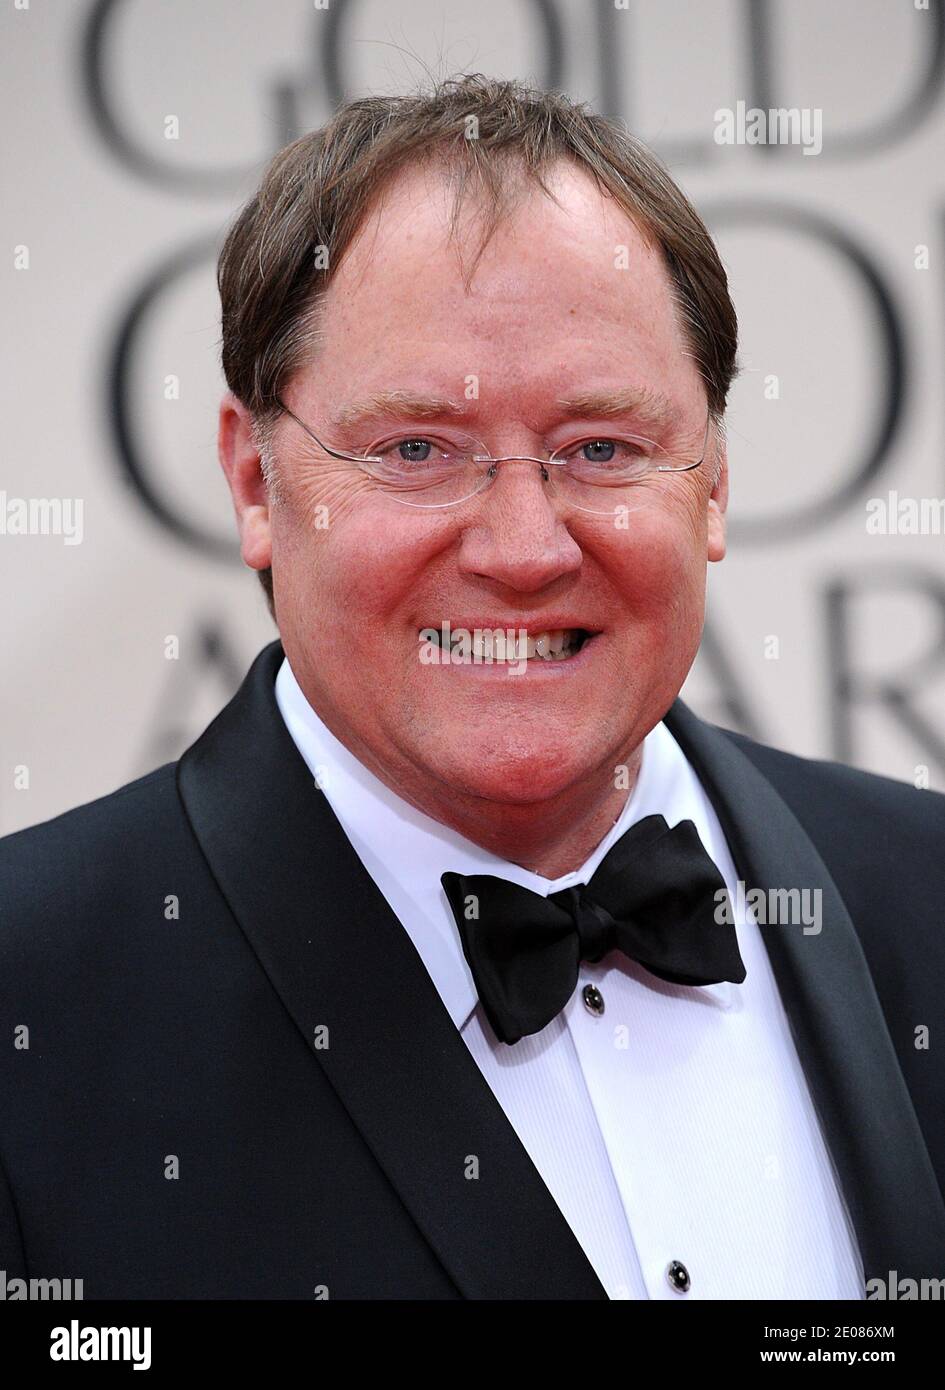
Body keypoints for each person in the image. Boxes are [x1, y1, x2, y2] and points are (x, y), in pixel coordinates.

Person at [1, 74, 943, 1302]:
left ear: (712, 483)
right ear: (253, 483)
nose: (521, 547)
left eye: (601, 447)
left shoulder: (923, 891)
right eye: (415, 452)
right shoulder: (34, 991)